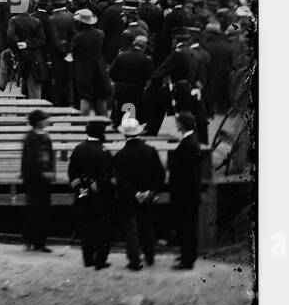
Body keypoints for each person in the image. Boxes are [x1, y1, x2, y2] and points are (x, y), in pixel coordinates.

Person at [113, 113, 165, 270]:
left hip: (129, 197)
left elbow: (121, 179)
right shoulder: (151, 151)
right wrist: (150, 190)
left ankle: (135, 261)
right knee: (147, 226)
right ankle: (150, 257)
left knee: (131, 229)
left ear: (124, 134)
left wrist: (135, 193)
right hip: (148, 194)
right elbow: (160, 173)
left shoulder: (121, 155)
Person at [68, 119, 114, 269]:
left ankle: (88, 259)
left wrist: (80, 188)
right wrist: (97, 186)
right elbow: (107, 175)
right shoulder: (104, 151)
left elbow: (72, 173)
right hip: (100, 196)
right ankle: (100, 260)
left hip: (83, 194)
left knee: (86, 228)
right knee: (102, 228)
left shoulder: (78, 148)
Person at [167, 110, 203, 270]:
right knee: (187, 227)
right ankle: (187, 255)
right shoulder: (191, 140)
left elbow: (182, 170)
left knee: (186, 227)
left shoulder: (188, 144)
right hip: (189, 193)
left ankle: (187, 260)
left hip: (185, 194)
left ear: (181, 124)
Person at [19, 109, 55, 252]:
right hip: (35, 177)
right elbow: (31, 159)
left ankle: (39, 241)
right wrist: (43, 172)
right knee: (37, 209)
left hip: (43, 176)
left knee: (43, 210)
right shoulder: (32, 138)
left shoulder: (43, 136)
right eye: (45, 118)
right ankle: (30, 238)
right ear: (39, 121)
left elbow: (49, 156)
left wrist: (50, 171)